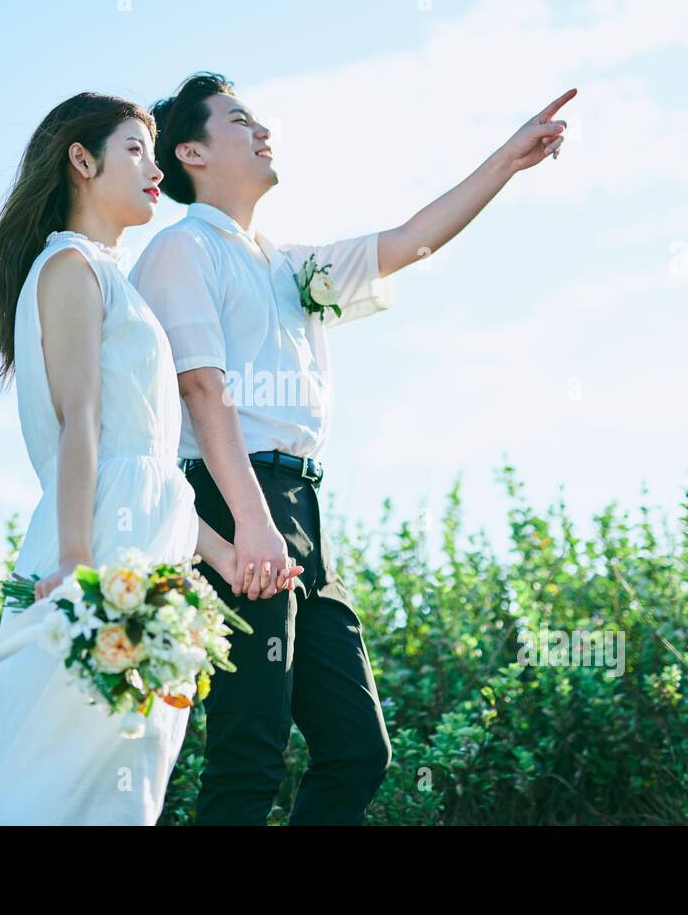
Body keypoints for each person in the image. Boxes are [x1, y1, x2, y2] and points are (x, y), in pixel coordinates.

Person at [0, 91, 303, 824]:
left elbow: (151, 471)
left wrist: (226, 560)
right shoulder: (70, 267)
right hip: (102, 555)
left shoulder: (106, 275)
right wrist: (76, 566)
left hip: (146, 555)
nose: (153, 167)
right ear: (82, 160)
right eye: (135, 149)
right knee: (57, 782)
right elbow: (83, 426)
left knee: (118, 785)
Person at [130, 72, 575, 825]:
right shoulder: (182, 251)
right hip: (237, 500)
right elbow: (203, 392)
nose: (263, 130)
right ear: (192, 152)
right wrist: (251, 522)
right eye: (240, 121)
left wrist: (508, 158)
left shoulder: (287, 264)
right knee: (250, 746)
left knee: (358, 748)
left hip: (300, 509)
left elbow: (409, 241)